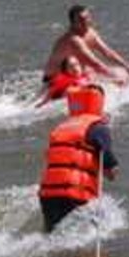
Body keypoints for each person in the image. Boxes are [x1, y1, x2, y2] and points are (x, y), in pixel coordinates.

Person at [38, 84, 118, 232]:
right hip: (75, 194)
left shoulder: (60, 128)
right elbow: (111, 173)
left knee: (51, 237)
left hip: (48, 195)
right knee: (96, 230)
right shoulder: (99, 128)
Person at [42, 5, 129, 90]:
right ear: (73, 23)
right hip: (54, 79)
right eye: (81, 20)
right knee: (107, 74)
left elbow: (108, 52)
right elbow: (94, 63)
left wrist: (128, 67)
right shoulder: (73, 40)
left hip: (74, 74)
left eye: (87, 18)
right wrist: (115, 78)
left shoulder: (90, 32)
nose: (86, 22)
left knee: (118, 71)